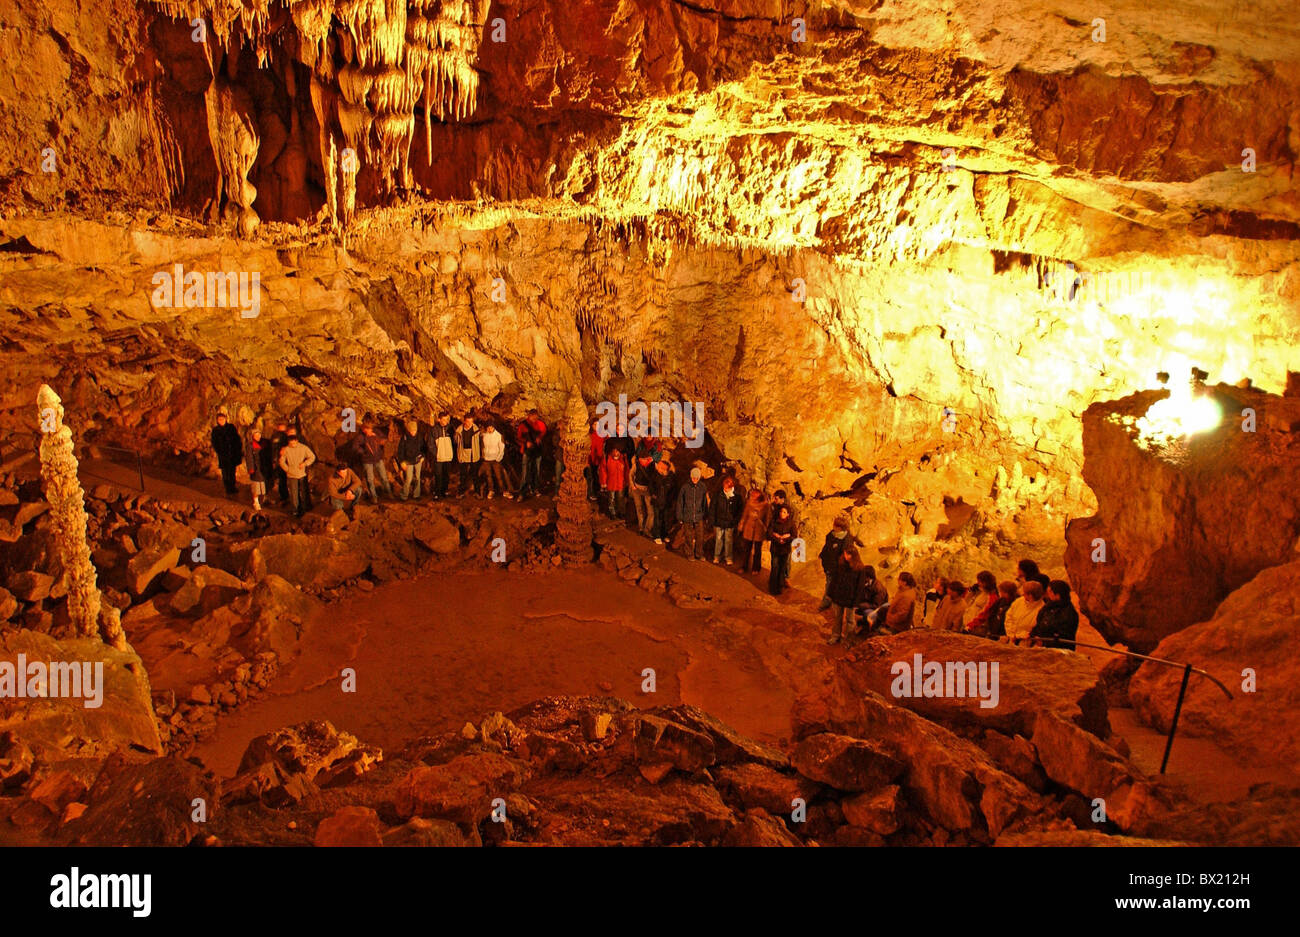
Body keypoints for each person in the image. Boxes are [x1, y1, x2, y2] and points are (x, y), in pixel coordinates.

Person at [826, 544, 867, 645]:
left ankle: (848, 639)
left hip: (850, 599)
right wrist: (830, 593)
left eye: (848, 554)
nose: (845, 556)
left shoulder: (860, 569)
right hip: (839, 596)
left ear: (853, 555)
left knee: (850, 620)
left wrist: (856, 602)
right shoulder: (841, 564)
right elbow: (834, 580)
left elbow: (860, 587)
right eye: (845, 553)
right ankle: (836, 636)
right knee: (837, 618)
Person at [1030, 580, 1080, 650]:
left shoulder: (1069, 614)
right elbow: (1039, 623)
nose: (1048, 594)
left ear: (1057, 595)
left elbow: (1064, 638)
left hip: (1057, 652)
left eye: (1050, 592)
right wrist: (1034, 635)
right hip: (1041, 645)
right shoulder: (1049, 605)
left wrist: (1044, 643)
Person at [277, 429, 316, 517]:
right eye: (291, 444)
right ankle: (295, 510)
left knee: (304, 491)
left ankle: (305, 507)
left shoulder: (303, 447)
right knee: (294, 494)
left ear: (297, 441)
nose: (293, 445)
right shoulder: (286, 449)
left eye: (294, 443)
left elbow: (312, 457)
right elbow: (281, 461)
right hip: (291, 474)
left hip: (302, 473)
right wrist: (287, 469)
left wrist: (305, 463)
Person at [818, 517, 852, 609]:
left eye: (835, 525)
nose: (833, 526)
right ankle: (830, 601)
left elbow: (845, 556)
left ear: (840, 528)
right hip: (828, 565)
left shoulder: (846, 540)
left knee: (831, 585)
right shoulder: (831, 535)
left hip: (837, 568)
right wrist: (822, 555)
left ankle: (828, 602)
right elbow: (827, 547)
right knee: (829, 583)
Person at [676, 466, 709, 559]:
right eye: (693, 477)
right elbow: (680, 502)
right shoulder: (685, 487)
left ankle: (699, 554)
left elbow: (704, 502)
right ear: (690, 477)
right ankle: (689, 554)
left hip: (699, 515)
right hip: (687, 515)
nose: (695, 479)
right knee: (688, 536)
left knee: (700, 536)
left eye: (697, 478)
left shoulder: (702, 486)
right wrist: (680, 517)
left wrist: (705, 515)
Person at [710, 475, 743, 564]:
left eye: (727, 487)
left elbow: (739, 510)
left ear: (731, 487)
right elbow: (713, 508)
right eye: (724, 487)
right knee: (718, 540)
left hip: (730, 523)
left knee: (728, 541)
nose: (725, 489)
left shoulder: (736, 497)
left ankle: (728, 557)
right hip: (719, 521)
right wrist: (712, 521)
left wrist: (735, 521)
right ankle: (717, 556)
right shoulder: (718, 495)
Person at [515, 409, 547, 499]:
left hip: (537, 451)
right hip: (527, 451)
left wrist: (540, 438)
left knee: (536, 470)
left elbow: (544, 432)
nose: (534, 419)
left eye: (536, 417)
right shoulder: (523, 425)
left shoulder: (540, 424)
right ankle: (522, 492)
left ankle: (535, 488)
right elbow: (518, 438)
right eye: (533, 417)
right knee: (525, 472)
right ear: (529, 416)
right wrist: (526, 443)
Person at [210, 409, 243, 496]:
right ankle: (228, 487)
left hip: (232, 453)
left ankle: (232, 486)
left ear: (226, 419)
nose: (221, 421)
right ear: (217, 420)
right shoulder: (216, 430)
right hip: (223, 454)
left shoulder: (231, 428)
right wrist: (219, 451)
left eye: (222, 419)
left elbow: (237, 439)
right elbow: (214, 442)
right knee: (225, 472)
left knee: (232, 471)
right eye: (219, 419)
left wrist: (237, 450)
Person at [357, 422, 392, 502]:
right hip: (367, 461)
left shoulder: (376, 432)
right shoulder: (360, 437)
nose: (370, 430)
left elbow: (384, 439)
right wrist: (364, 452)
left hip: (378, 459)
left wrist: (376, 437)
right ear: (364, 430)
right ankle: (374, 497)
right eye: (368, 429)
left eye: (370, 429)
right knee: (370, 479)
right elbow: (355, 447)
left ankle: (389, 493)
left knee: (384, 477)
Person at [738, 487, 770, 574]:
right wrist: (741, 525)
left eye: (753, 495)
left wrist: (766, 529)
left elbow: (767, 518)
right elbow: (745, 515)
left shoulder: (765, 506)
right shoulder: (749, 503)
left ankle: (756, 568)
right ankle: (744, 567)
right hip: (748, 529)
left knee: (757, 550)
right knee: (746, 550)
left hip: (759, 530)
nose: (751, 497)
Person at [1002, 580, 1044, 645]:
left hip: (1026, 644)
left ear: (1030, 595)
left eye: (1024, 593)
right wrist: (1011, 634)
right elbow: (1009, 616)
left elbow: (1032, 629)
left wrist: (1018, 636)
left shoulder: (1042, 609)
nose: (1022, 594)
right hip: (1011, 640)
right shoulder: (1019, 601)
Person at [767, 505, 797, 595]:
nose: (782, 514)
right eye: (781, 512)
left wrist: (786, 538)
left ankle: (780, 586)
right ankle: (772, 587)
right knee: (775, 567)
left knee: (782, 568)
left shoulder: (791, 523)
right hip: (775, 548)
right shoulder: (774, 521)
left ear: (788, 514)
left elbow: (794, 536)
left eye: (784, 512)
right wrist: (778, 538)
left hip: (785, 549)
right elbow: (769, 534)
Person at [426, 412, 454, 499]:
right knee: (438, 474)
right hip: (438, 457)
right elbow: (430, 444)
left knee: (446, 474)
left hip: (448, 456)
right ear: (439, 419)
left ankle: (444, 491)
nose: (446, 421)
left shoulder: (450, 428)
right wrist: (436, 453)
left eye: (447, 419)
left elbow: (454, 441)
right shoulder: (434, 430)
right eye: (444, 419)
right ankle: (437, 492)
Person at [963, 571, 999, 635]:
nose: (978, 583)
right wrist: (971, 591)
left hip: (977, 628)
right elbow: (966, 602)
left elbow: (985, 614)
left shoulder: (992, 597)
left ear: (985, 582)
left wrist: (971, 625)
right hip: (968, 625)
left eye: (979, 582)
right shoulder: (981, 592)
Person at [855, 566, 889, 633]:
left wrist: (861, 605)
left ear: (868, 576)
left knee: (866, 613)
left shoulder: (878, 588)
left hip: (878, 609)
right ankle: (863, 625)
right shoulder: (866, 583)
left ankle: (869, 627)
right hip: (868, 604)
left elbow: (877, 605)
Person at [397, 419, 425, 501]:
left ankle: (416, 495)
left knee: (417, 477)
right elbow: (400, 450)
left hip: (418, 460)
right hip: (408, 461)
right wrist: (402, 461)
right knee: (408, 478)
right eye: (412, 430)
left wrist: (423, 456)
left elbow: (424, 448)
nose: (413, 432)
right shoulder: (405, 438)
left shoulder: (419, 437)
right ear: (409, 430)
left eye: (415, 430)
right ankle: (404, 495)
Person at [480, 421, 509, 498]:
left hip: (495, 459)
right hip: (486, 459)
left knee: (499, 476)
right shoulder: (484, 435)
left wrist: (498, 458)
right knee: (489, 476)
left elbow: (502, 447)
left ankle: (504, 491)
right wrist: (483, 455)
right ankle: (491, 491)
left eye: (491, 427)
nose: (490, 429)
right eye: (488, 427)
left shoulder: (498, 436)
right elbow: (482, 446)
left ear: (494, 427)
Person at [629, 454, 656, 536]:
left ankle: (647, 529)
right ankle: (641, 528)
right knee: (640, 508)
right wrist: (632, 485)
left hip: (647, 490)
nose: (643, 461)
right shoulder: (636, 465)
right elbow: (631, 474)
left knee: (651, 511)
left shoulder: (653, 465)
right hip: (637, 489)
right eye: (641, 459)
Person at [455, 414, 481, 497]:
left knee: (475, 474)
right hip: (463, 454)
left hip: (474, 454)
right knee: (463, 475)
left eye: (471, 422)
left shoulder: (477, 431)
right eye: (468, 422)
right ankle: (461, 492)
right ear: (464, 421)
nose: (469, 424)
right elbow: (456, 442)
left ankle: (477, 491)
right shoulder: (459, 431)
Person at [649, 457, 674, 544]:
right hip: (657, 501)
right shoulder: (655, 475)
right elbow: (651, 486)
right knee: (657, 519)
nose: (659, 469)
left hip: (666, 502)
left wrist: (670, 499)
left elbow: (673, 489)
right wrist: (653, 495)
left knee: (665, 519)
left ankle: (664, 535)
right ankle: (657, 536)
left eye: (661, 467)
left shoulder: (670, 477)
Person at [244, 427, 269, 512]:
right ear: (252, 436)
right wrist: (251, 468)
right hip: (256, 468)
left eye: (259, 434)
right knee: (256, 486)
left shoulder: (263, 444)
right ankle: (256, 502)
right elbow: (249, 458)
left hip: (262, 468)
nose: (258, 436)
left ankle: (262, 500)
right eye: (256, 434)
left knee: (262, 485)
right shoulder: (250, 446)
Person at [601, 445, 629, 519]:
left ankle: (621, 512)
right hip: (611, 482)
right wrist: (603, 482)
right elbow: (603, 471)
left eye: (617, 450)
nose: (616, 452)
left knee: (620, 498)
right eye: (614, 450)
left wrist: (627, 480)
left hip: (620, 482)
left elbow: (626, 470)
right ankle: (612, 512)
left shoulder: (623, 458)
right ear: (611, 451)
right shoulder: (607, 458)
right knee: (611, 498)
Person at [269, 420, 291, 505]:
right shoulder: (281, 436)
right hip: (280, 461)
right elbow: (274, 449)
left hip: (279, 460)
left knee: (281, 480)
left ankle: (283, 496)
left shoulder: (276, 436)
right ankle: (283, 496)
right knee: (281, 479)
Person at [585, 417, 604, 502]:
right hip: (590, 459)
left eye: (598, 424)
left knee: (596, 476)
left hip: (599, 460)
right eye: (595, 424)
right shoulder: (590, 436)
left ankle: (596, 491)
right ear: (592, 426)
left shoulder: (602, 435)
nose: (596, 426)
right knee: (590, 477)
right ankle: (590, 493)